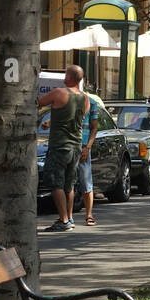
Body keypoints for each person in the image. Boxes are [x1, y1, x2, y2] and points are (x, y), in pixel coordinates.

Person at [36, 64, 89, 232]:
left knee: (55, 183)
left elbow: (38, 102)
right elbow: (70, 114)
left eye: (65, 74)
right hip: (75, 146)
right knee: (69, 184)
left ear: (69, 78)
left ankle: (63, 220)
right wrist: (51, 121)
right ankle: (69, 216)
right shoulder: (85, 99)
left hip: (59, 145)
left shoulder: (59, 93)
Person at [77, 86, 101, 226]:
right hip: (69, 145)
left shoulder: (91, 102)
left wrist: (87, 147)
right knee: (68, 183)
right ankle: (67, 217)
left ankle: (89, 214)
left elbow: (94, 128)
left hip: (83, 145)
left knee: (86, 181)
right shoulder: (65, 99)